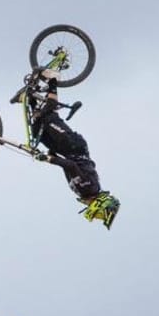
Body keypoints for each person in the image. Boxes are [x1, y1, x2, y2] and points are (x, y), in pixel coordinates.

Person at [26, 67, 120, 229]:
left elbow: (67, 170)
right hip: (73, 146)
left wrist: (52, 153)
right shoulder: (89, 188)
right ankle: (52, 80)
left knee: (37, 133)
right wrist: (49, 159)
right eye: (98, 213)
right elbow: (70, 166)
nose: (94, 214)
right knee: (48, 118)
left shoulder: (84, 192)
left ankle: (32, 97)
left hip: (66, 150)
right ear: (100, 205)